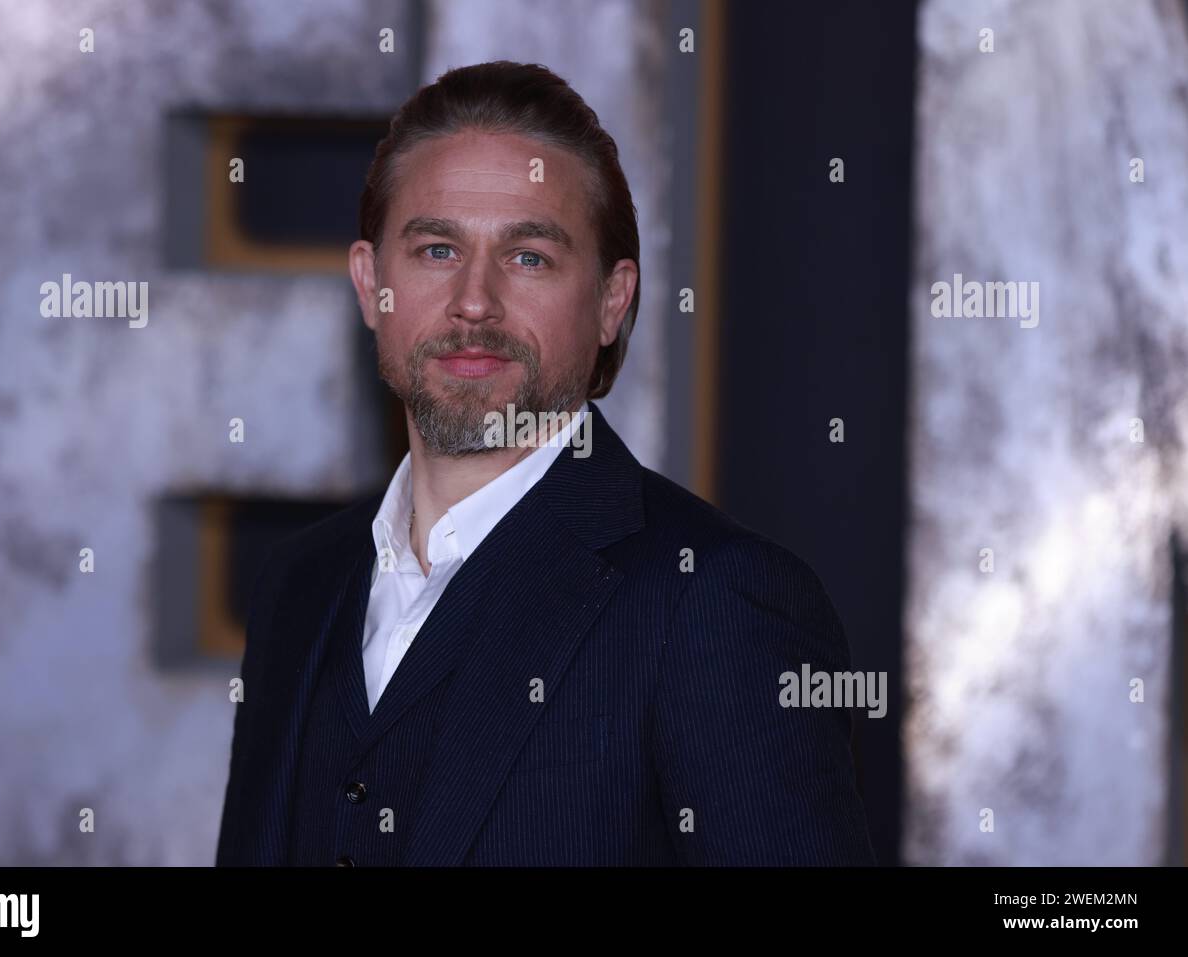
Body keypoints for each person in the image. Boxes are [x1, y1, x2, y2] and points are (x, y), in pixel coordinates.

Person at [216, 60, 875, 866]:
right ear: (369, 282)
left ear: (611, 300)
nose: (473, 301)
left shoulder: (714, 603)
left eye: (529, 257)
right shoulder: (299, 586)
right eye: (434, 249)